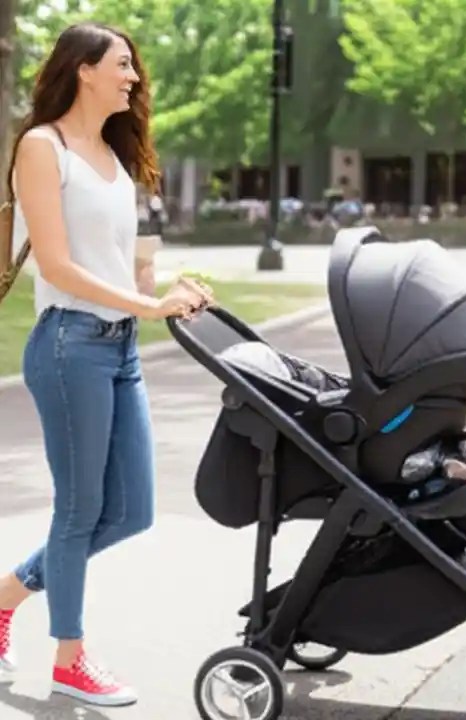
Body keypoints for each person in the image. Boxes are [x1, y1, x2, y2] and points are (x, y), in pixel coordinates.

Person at [0, 22, 214, 707]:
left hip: (117, 349)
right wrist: (146, 309)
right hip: (68, 347)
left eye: (133, 67)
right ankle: (69, 659)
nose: (134, 77)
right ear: (83, 69)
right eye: (122, 65)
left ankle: (5, 594)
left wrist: (168, 291)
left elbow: (120, 266)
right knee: (80, 509)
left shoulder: (114, 157)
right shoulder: (43, 147)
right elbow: (60, 266)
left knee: (134, 510)